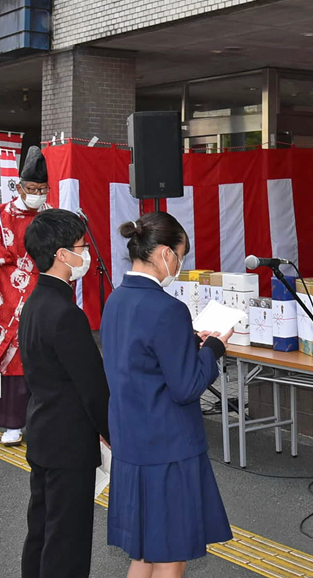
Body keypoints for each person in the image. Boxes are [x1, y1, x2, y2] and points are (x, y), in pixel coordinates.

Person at [102, 211, 232, 578]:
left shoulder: (115, 300)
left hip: (131, 441)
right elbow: (186, 386)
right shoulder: (169, 308)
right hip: (168, 447)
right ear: (164, 253)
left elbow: (142, 358)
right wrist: (213, 349)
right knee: (171, 555)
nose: (180, 263)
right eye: (181, 255)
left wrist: (188, 343)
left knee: (143, 553)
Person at [19, 210, 110, 578]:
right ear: (61, 254)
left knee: (41, 532)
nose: (85, 254)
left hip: (43, 432)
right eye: (81, 247)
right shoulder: (66, 313)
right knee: (67, 541)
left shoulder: (34, 302)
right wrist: (114, 433)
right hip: (70, 442)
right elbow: (93, 387)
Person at [0, 145, 51, 446]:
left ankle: (44, 422)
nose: (37, 194)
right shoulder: (0, 217)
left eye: (42, 189)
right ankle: (12, 423)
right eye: (32, 189)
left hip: (45, 296)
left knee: (46, 360)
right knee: (13, 361)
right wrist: (25, 285)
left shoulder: (52, 215)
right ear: (19, 188)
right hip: (7, 300)